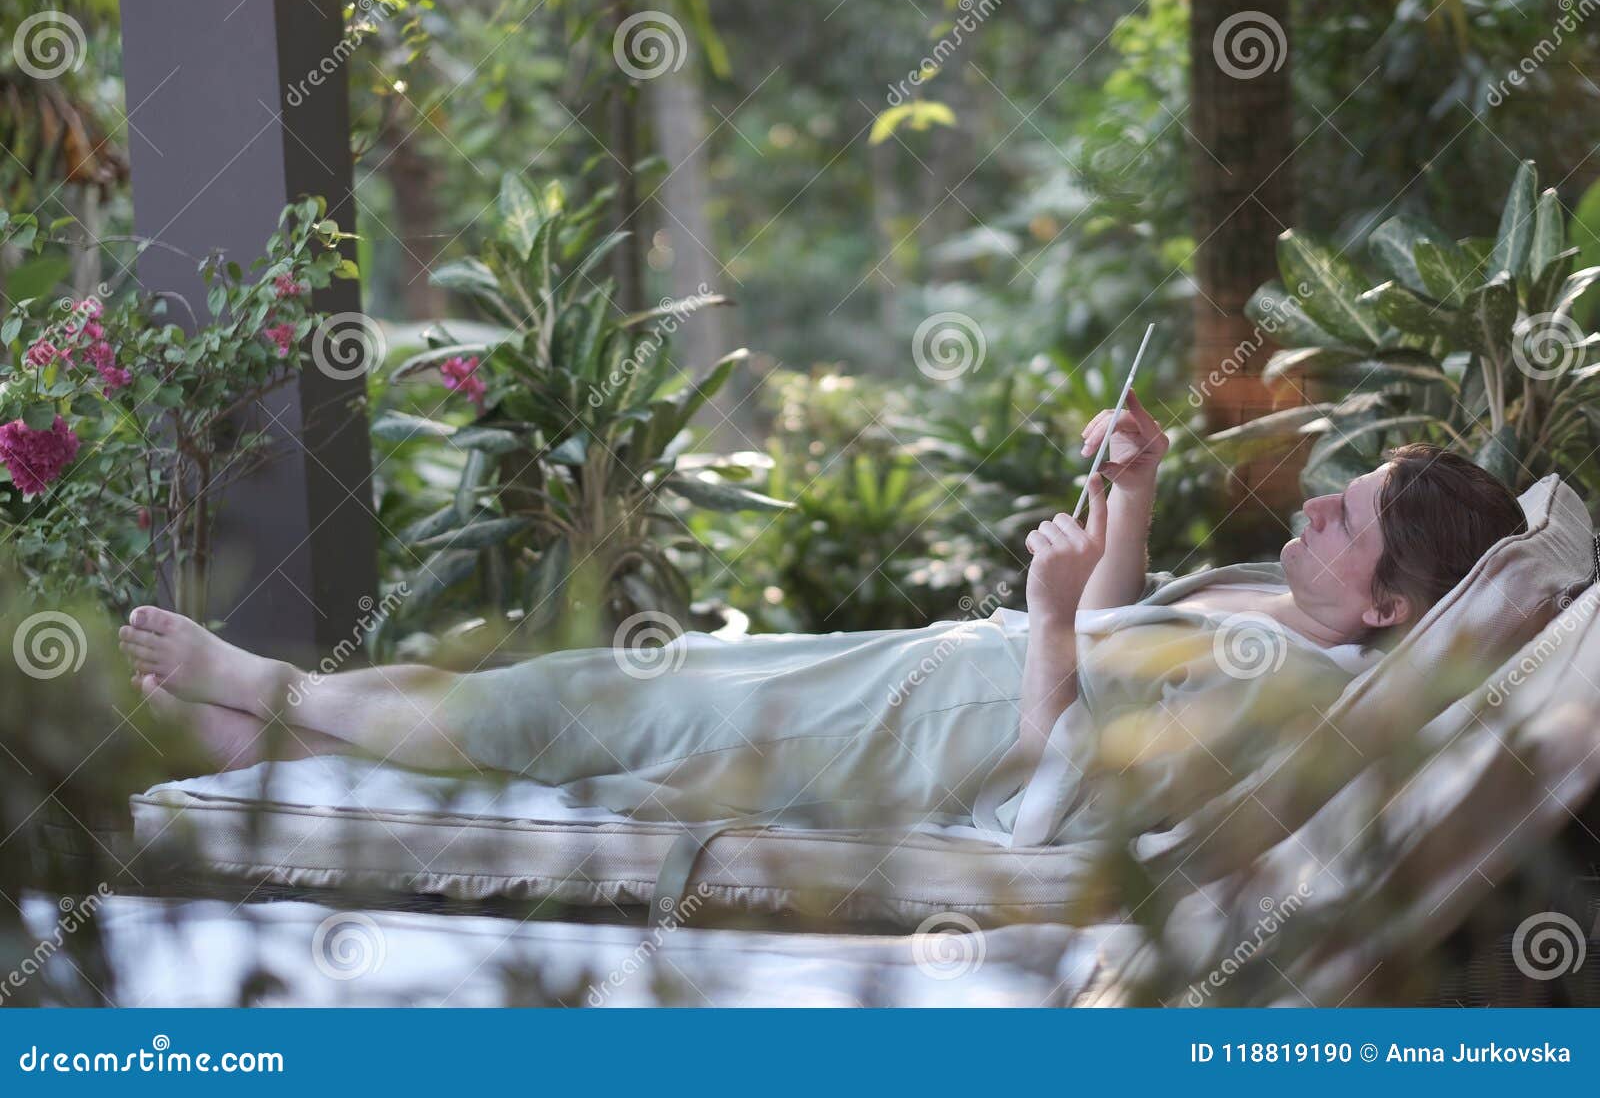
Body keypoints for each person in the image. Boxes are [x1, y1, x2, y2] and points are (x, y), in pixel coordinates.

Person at [117, 395, 1528, 845]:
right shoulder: (1260, 606)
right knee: (574, 688)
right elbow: (1113, 637)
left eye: (1352, 519)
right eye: (1339, 490)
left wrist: (1041, 620)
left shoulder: (1275, 690)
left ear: (1391, 607)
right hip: (891, 677)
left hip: (893, 744)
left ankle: (276, 695)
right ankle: (279, 754)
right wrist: (1134, 502)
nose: (1320, 505)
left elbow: (1054, 803)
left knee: (559, 714)